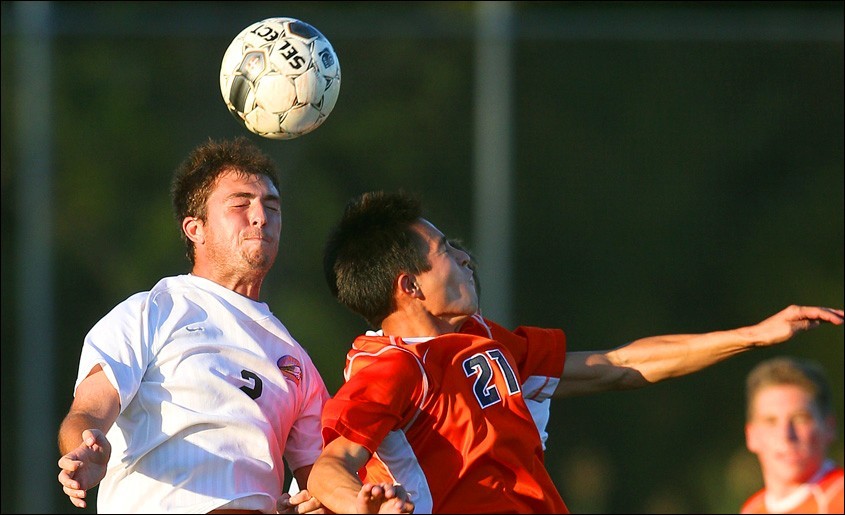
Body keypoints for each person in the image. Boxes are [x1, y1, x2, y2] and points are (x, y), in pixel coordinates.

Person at [307, 189, 844, 514]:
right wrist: (360, 504)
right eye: (446, 250)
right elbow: (329, 465)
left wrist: (750, 335)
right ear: (410, 286)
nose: (465, 257)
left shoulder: (483, 339)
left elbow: (620, 367)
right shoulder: (395, 367)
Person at [56, 137, 410, 514]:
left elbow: (320, 480)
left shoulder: (296, 361)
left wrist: (332, 505)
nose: (260, 216)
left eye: (271, 206)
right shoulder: (150, 312)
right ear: (196, 228)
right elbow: (87, 415)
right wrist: (88, 447)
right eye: (241, 204)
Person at [740, 356, 844, 514]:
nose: (786, 434)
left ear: (829, 427)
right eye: (771, 421)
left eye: (800, 418)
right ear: (751, 436)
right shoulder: (751, 510)